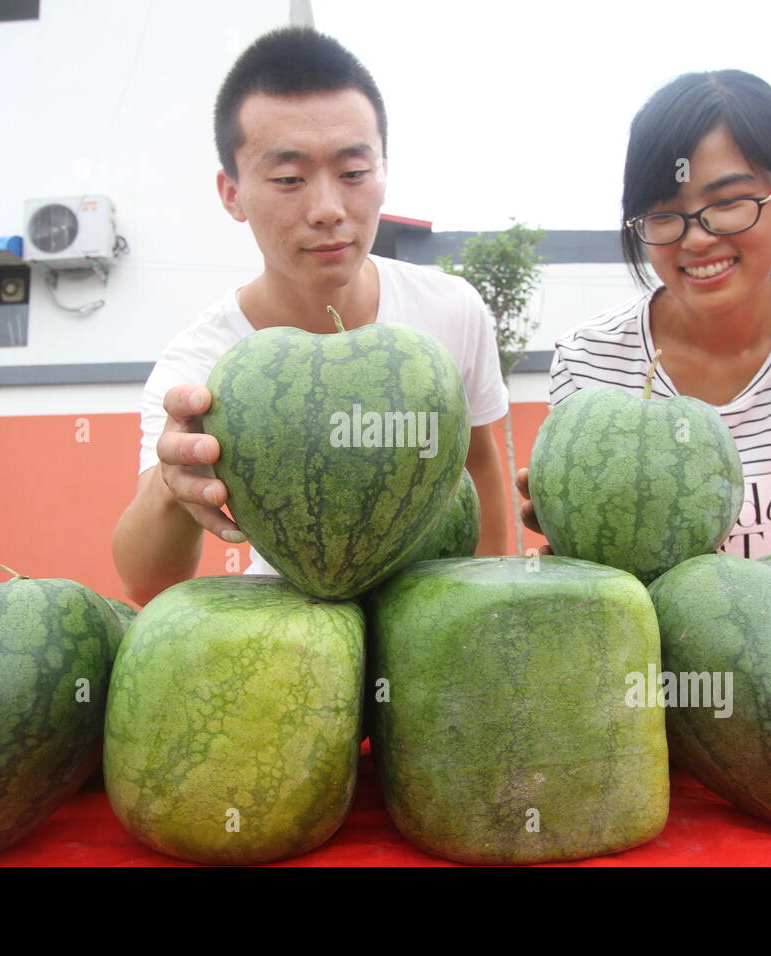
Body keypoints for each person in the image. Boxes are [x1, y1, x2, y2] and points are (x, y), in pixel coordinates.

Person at [114, 27, 510, 606]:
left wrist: (489, 611)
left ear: (382, 171)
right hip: (291, 637)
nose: (327, 210)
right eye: (288, 180)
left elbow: (479, 471)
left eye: (352, 173)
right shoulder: (200, 365)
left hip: (429, 627)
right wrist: (171, 487)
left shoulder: (451, 309)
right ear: (231, 193)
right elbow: (148, 584)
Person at [517, 70, 771, 562]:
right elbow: (599, 576)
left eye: (728, 202)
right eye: (664, 213)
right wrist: (569, 535)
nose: (697, 239)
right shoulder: (589, 359)